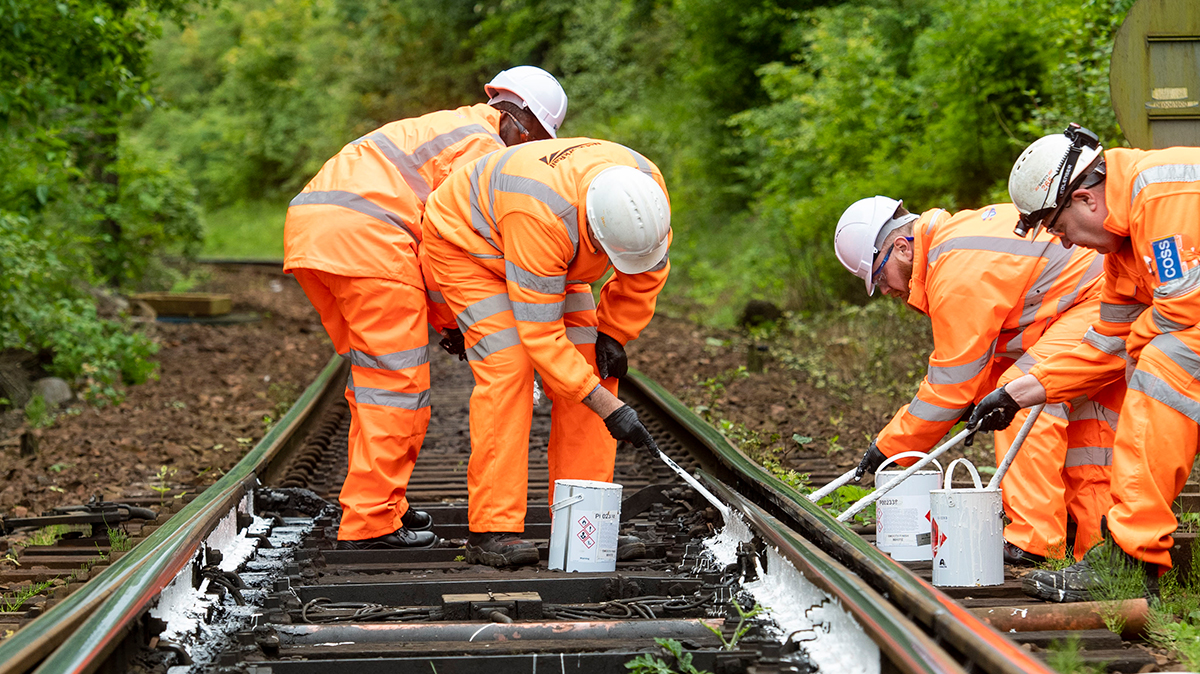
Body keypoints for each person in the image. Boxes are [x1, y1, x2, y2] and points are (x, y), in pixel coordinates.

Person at [282, 66, 568, 550]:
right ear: (521, 121)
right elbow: (444, 245)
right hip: (368, 240)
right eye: (535, 139)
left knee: (376, 381)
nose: (529, 153)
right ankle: (371, 521)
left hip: (317, 233)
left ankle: (381, 500)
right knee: (395, 387)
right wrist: (456, 321)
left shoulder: (454, 125)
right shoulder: (482, 150)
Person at [971, 124, 1200, 601]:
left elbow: (1184, 313)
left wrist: (1136, 349)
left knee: (1165, 360)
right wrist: (1019, 393)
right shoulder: (1124, 251)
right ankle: (1121, 549)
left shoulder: (1159, 194)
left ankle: (1132, 561)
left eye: (1059, 229)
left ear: (1085, 199)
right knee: (1145, 358)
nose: (1068, 245)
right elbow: (1106, 346)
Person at [422, 138, 670, 566]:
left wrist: (612, 333)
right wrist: (610, 408)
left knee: (593, 365)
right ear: (595, 227)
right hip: (472, 248)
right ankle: (491, 530)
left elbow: (646, 272)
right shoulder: (542, 214)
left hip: (556, 256)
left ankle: (586, 524)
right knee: (509, 367)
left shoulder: (644, 192)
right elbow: (542, 338)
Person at [836, 195, 1123, 564]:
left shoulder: (953, 270)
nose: (887, 290)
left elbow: (950, 387)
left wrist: (890, 449)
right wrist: (972, 399)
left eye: (879, 276)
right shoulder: (958, 244)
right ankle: (1100, 555)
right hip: (1105, 300)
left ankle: (1032, 542)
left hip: (1105, 303)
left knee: (1021, 397)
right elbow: (985, 361)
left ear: (903, 248)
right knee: (1089, 439)